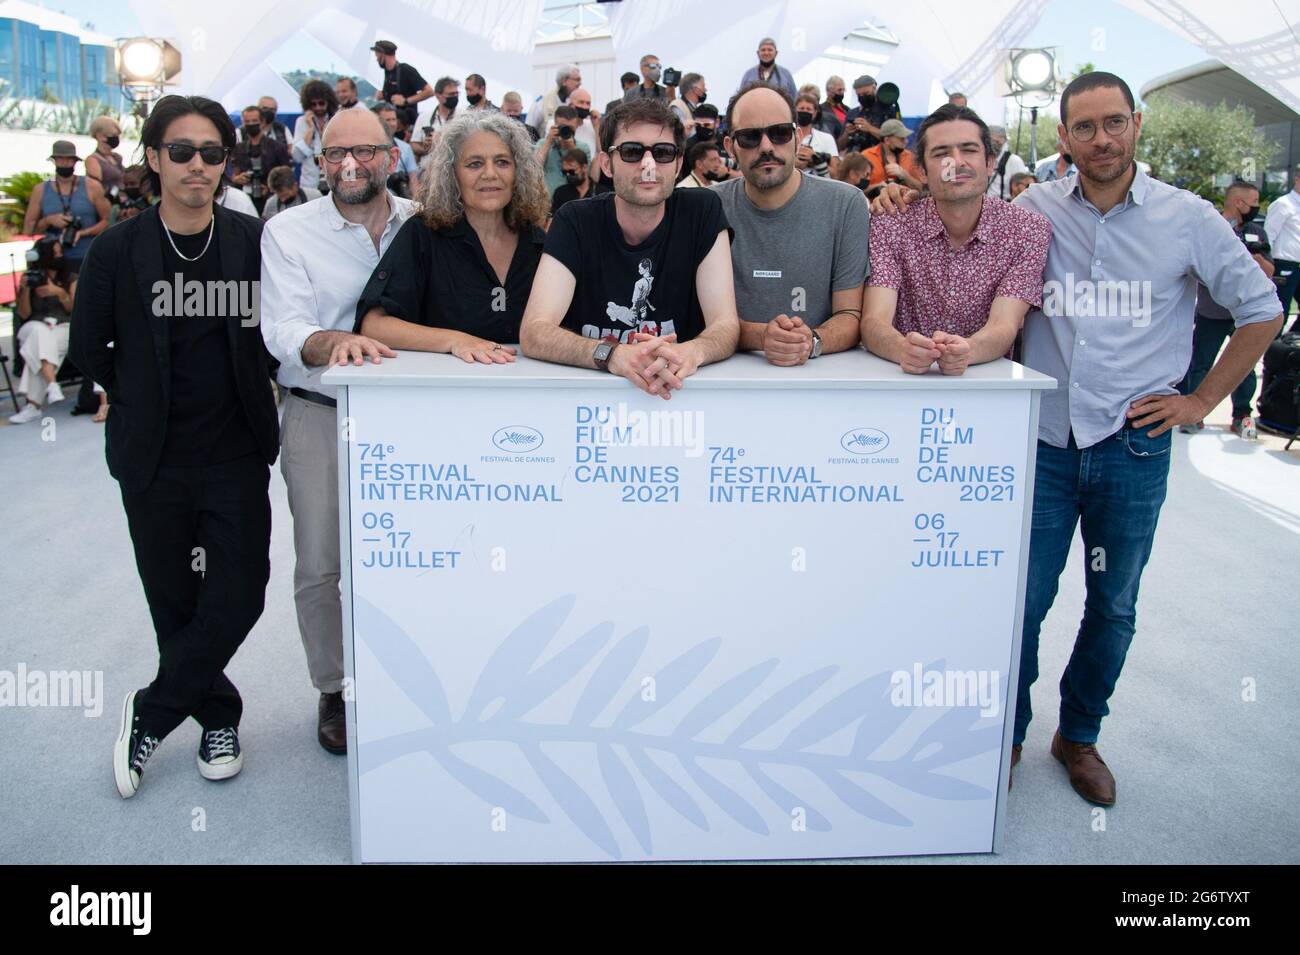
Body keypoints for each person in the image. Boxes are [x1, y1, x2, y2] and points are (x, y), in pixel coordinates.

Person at [875, 73, 1284, 804]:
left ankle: (1081, 734)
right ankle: (1007, 734)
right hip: (1042, 442)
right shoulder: (1030, 214)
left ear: (1135, 126)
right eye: (1085, 127)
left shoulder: (1187, 217)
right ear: (1063, 137)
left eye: (1114, 123)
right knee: (1021, 598)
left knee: (1114, 602)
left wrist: (1200, 399)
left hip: (1133, 444)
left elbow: (1260, 309)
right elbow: (959, 201)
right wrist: (909, 193)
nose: (1102, 139)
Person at [68, 95, 280, 799]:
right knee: (174, 600)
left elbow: (276, 336)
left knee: (241, 591)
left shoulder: (251, 242)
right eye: (182, 151)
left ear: (228, 161)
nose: (198, 166)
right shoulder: (118, 249)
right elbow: (87, 347)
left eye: (213, 152)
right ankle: (217, 714)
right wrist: (133, 398)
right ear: (153, 157)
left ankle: (151, 714)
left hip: (235, 453)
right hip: (152, 457)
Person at [260, 106, 418, 755]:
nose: (350, 164)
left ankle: (409, 679)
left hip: (412, 423)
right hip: (319, 414)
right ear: (319, 162)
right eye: (335, 154)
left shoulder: (425, 221)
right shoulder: (289, 230)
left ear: (392, 155)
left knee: (416, 555)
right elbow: (282, 328)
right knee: (322, 562)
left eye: (365, 151)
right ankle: (335, 685)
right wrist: (334, 343)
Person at [519, 98, 739, 398]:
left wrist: (691, 353)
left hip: (681, 395)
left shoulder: (702, 211)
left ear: (677, 164)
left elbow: (725, 324)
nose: (648, 165)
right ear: (607, 164)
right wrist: (613, 355)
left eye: (662, 153)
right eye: (632, 152)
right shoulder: (574, 219)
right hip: (587, 399)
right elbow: (534, 331)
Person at [862, 104, 1051, 376]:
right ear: (923, 171)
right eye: (941, 153)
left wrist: (968, 350)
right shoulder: (890, 223)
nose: (957, 162)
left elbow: (1004, 324)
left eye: (969, 150)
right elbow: (874, 321)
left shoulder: (1027, 230)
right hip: (900, 382)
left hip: (986, 387)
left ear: (989, 163)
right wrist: (902, 348)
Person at [357, 110, 549, 367]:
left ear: (519, 171)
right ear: (452, 174)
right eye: (474, 164)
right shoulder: (423, 234)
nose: (490, 174)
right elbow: (373, 325)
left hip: (527, 395)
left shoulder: (535, 239)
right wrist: (455, 341)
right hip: (445, 396)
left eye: (502, 162)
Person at [716, 83, 869, 366]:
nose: (766, 147)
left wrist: (810, 341)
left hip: (819, 376)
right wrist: (763, 336)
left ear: (798, 137)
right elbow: (699, 315)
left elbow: (850, 315)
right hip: (728, 379)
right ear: (730, 146)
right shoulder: (708, 207)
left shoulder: (846, 204)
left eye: (779, 133)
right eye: (749, 137)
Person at [1178, 180, 1274, 437]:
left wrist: (1251, 258)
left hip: (1242, 315)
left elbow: (1269, 271)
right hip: (1212, 312)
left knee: (1245, 364)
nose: (1255, 207)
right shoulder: (1209, 225)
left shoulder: (1256, 232)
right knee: (1201, 362)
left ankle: (1242, 415)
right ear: (1238, 202)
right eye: (1253, 203)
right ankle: (1193, 413)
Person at [9, 235, 76, 423]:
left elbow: (76, 310)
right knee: (39, 333)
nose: (59, 255)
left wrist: (60, 293)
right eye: (55, 252)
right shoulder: (31, 277)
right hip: (34, 325)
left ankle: (33, 405)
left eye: (60, 251)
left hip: (62, 326)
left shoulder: (69, 278)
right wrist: (25, 290)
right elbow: (23, 314)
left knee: (38, 344)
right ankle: (52, 383)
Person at [23, 141, 110, 275]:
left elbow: (107, 221)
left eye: (69, 159)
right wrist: (48, 220)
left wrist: (82, 232)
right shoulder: (40, 190)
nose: (65, 163)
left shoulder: (92, 186)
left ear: (75, 161)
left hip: (85, 255)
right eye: (60, 159)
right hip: (53, 259)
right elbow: (28, 229)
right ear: (54, 161)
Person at [229, 105, 291, 215]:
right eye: (247, 121)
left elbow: (286, 175)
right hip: (245, 198)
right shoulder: (238, 149)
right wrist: (238, 179)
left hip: (272, 200)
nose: (251, 124)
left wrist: (269, 187)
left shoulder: (277, 147)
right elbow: (233, 173)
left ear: (262, 122)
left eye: (254, 121)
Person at [1264, 163, 1300, 333]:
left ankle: (1289, 345)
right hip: (1285, 266)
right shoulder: (1283, 204)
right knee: (1280, 311)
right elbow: (1268, 235)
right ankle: (1272, 351)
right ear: (1297, 180)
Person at [372, 39, 432, 129]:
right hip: (393, 125)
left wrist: (406, 101)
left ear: (383, 54)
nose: (376, 59)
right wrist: (383, 94)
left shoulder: (406, 70)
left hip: (406, 126)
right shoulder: (388, 72)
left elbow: (430, 91)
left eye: (377, 56)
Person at [536, 105, 590, 197]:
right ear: (555, 125)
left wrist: (573, 150)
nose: (567, 131)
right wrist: (548, 142)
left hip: (572, 201)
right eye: (563, 127)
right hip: (547, 202)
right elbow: (534, 168)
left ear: (577, 125)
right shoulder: (543, 144)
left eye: (571, 128)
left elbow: (586, 175)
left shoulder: (583, 147)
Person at [293, 79, 337, 192]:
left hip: (334, 182)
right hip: (310, 184)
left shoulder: (336, 120)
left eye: (321, 103)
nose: (318, 107)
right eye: (313, 104)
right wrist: (311, 128)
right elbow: (297, 157)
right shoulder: (302, 121)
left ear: (328, 102)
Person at [838, 74, 898, 153]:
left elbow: (894, 140)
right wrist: (847, 133)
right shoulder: (853, 113)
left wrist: (869, 128)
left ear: (874, 88)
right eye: (859, 95)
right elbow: (839, 146)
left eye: (866, 93)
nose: (863, 97)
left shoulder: (888, 110)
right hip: (855, 157)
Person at [373, 103, 421, 196]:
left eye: (394, 119)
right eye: (387, 120)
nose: (392, 124)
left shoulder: (405, 147)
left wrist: (416, 204)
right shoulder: (367, 147)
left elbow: (413, 180)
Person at [862, 119, 922, 192]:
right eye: (901, 138)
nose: (906, 141)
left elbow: (923, 189)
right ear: (887, 140)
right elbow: (857, 191)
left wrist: (904, 175)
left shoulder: (911, 157)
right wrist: (878, 186)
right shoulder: (866, 156)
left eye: (906, 138)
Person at [411, 77, 461, 158]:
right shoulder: (424, 117)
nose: (455, 97)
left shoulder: (463, 117)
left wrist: (442, 140)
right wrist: (427, 148)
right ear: (438, 95)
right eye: (451, 94)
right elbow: (414, 144)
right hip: (429, 166)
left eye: (456, 94)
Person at [794, 92, 839, 178]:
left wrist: (814, 160)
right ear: (795, 111)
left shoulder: (827, 138)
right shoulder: (785, 136)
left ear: (815, 113)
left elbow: (836, 174)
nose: (804, 111)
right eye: (801, 108)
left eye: (808, 109)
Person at [529, 63, 582, 133]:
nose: (580, 83)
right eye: (577, 80)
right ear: (564, 81)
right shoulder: (542, 102)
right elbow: (529, 128)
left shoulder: (578, 102)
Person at [85, 115, 125, 199]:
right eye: (113, 135)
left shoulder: (117, 157)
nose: (116, 138)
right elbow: (97, 189)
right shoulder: (92, 160)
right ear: (100, 136)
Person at [986, 124, 1028, 200]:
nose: (992, 144)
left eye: (996, 141)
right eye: (989, 140)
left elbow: (1023, 189)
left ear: (1004, 141)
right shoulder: (983, 159)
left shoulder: (1014, 161)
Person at [551, 148, 594, 213]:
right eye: (564, 172)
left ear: (584, 167)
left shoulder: (601, 192)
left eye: (571, 171)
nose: (568, 175)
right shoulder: (560, 193)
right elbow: (552, 219)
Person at [567, 87, 601, 158]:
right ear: (571, 105)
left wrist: (596, 126)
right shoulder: (555, 123)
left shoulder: (593, 125)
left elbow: (601, 151)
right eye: (581, 102)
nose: (585, 106)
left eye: (588, 103)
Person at [821, 76, 849, 140]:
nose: (842, 92)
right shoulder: (821, 109)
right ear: (829, 91)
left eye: (843, 90)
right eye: (839, 90)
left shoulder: (848, 110)